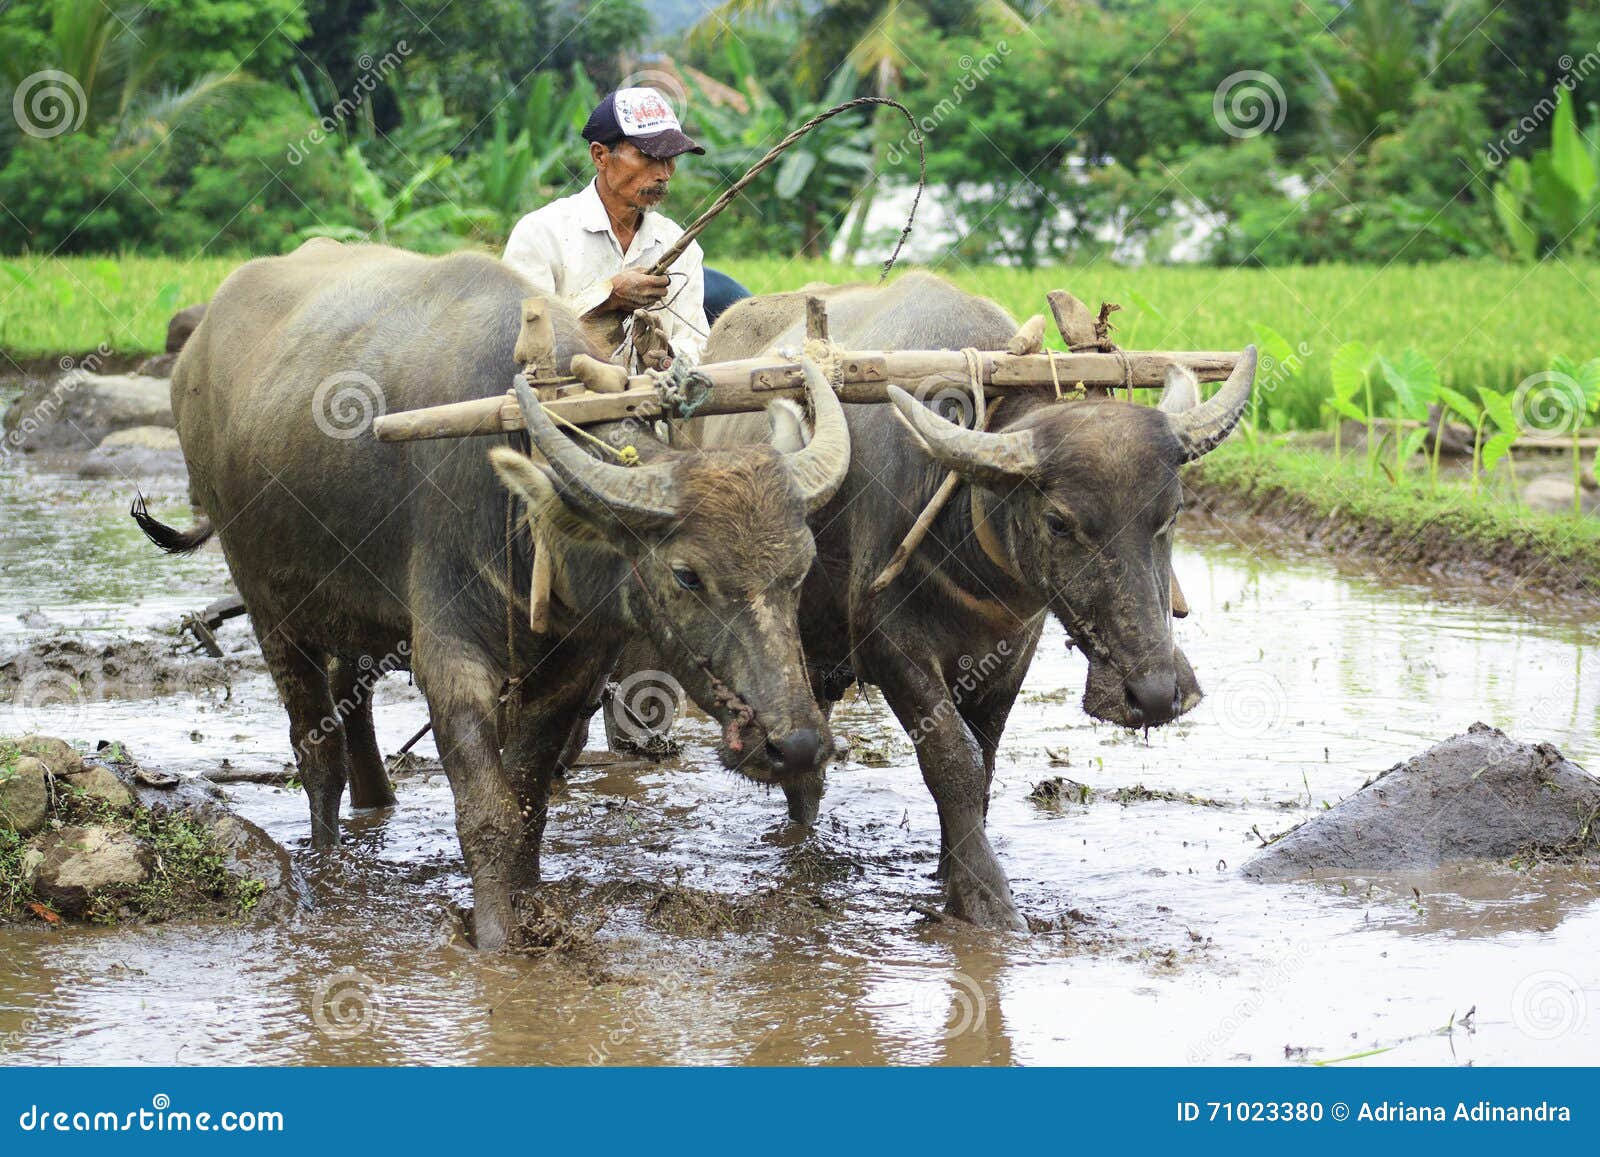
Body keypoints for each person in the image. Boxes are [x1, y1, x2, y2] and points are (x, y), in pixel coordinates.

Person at [502, 87, 709, 368]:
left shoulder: (679, 244)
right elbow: (521, 343)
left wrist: (667, 359)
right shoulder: (540, 234)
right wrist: (608, 296)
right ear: (600, 156)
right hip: (563, 408)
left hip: (655, 407)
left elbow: (697, 342)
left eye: (670, 159)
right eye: (648, 157)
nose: (663, 174)